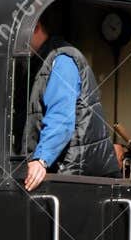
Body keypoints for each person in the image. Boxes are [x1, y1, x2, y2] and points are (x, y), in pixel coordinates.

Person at [23, 19, 119, 190]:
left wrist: (41, 159)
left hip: (76, 170)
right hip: (69, 166)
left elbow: (61, 117)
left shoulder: (62, 60)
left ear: (36, 27)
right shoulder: (39, 61)